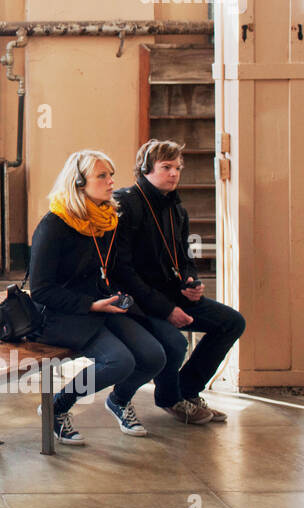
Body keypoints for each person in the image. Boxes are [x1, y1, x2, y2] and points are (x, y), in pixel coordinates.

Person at [27, 149, 188, 444]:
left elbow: (110, 269)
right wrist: (90, 304)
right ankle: (57, 406)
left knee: (155, 356)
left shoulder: (106, 220)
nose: (111, 181)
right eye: (102, 175)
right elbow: (40, 289)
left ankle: (119, 399)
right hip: (60, 313)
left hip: (100, 304)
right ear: (79, 183)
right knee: (119, 362)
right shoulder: (54, 225)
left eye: (111, 174)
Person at [113, 139, 246, 424]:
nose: (174, 173)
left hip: (173, 294)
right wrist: (165, 309)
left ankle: (187, 391)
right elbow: (122, 272)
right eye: (166, 167)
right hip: (138, 301)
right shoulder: (126, 204)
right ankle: (170, 399)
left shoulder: (176, 209)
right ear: (146, 168)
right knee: (174, 344)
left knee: (232, 322)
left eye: (178, 168)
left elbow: (184, 256)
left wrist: (191, 281)